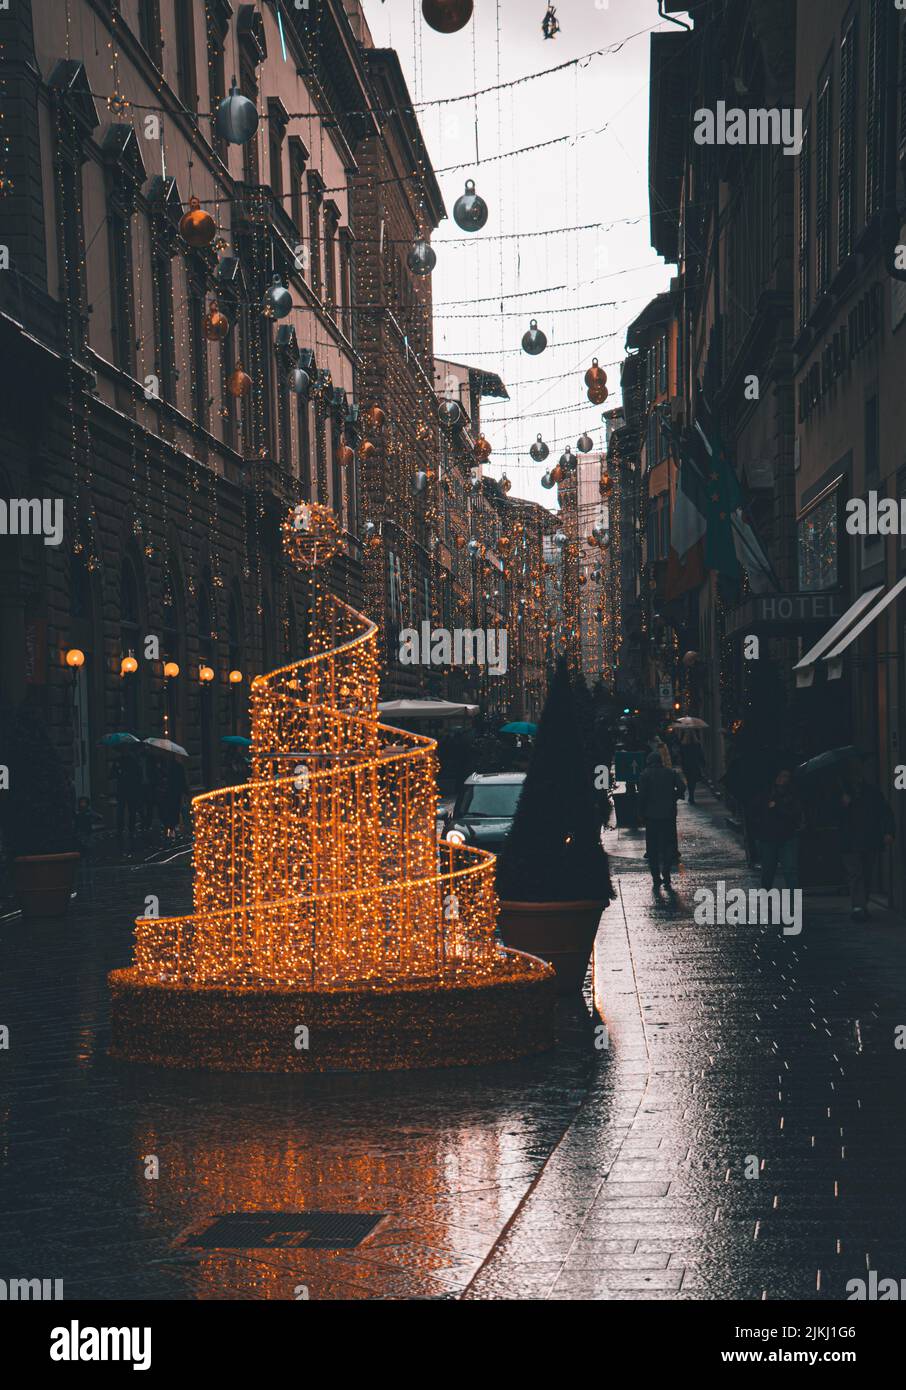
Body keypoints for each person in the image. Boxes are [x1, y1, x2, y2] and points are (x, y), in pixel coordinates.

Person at [836, 760, 896, 920]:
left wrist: (888, 832)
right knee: (856, 874)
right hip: (849, 842)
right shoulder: (840, 794)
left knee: (867, 874)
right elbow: (832, 817)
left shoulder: (872, 792)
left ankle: (862, 904)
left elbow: (884, 811)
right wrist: (842, 805)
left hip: (869, 839)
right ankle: (858, 907)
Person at [637, 750, 686, 894]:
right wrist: (674, 797)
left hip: (651, 817)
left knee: (652, 846)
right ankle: (666, 871)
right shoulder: (670, 773)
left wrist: (640, 813)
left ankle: (655, 876)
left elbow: (642, 796)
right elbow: (682, 787)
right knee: (668, 844)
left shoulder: (645, 775)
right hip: (668, 815)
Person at [752, 768, 803, 891]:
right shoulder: (766, 793)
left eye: (785, 776)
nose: (782, 779)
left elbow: (794, 814)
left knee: (790, 871)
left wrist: (777, 807)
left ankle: (793, 905)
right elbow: (758, 813)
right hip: (768, 838)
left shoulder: (793, 796)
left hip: (787, 837)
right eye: (780, 776)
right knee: (768, 872)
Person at [115, 746, 143, 856]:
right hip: (125, 790)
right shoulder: (121, 761)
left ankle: (129, 830)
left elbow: (138, 774)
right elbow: (112, 773)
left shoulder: (131, 761)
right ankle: (124, 829)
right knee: (124, 811)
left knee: (129, 811)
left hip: (129, 790)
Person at [159, 757, 189, 841]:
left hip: (174, 793)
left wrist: (185, 791)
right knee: (166, 811)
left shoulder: (177, 766)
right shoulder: (160, 765)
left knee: (174, 811)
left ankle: (171, 830)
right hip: (166, 793)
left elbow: (182, 780)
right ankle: (169, 828)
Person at [679, 735, 706, 804]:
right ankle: (691, 795)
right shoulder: (697, 745)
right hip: (694, 765)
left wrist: (681, 765)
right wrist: (703, 764)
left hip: (686, 765)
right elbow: (700, 755)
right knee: (693, 781)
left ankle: (691, 795)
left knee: (689, 780)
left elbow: (681, 757)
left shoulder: (683, 745)